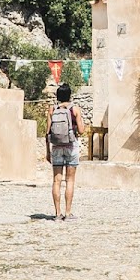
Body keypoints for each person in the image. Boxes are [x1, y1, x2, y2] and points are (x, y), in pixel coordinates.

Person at [45, 84, 86, 221]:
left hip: (56, 147)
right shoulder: (74, 109)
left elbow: (47, 133)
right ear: (70, 95)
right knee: (70, 180)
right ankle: (68, 213)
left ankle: (57, 214)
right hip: (71, 146)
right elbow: (81, 130)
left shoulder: (52, 109)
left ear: (57, 96)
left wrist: (47, 152)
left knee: (56, 181)